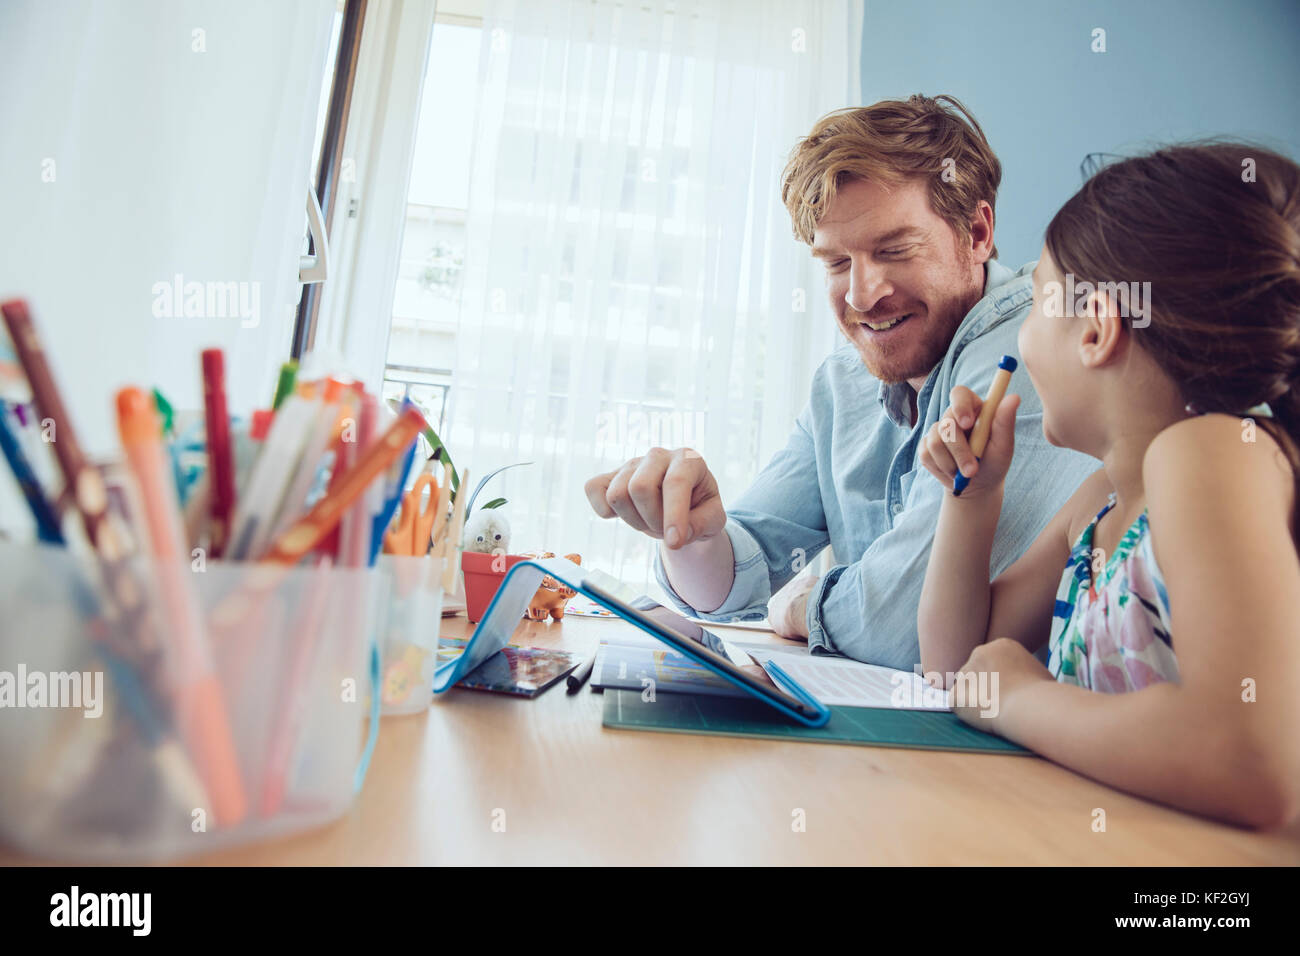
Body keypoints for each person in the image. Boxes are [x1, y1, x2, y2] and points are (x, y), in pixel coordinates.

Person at [584, 94, 1092, 668]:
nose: (860, 295)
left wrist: (803, 609)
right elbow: (739, 578)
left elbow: (901, 630)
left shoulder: (1028, 345)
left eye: (894, 250)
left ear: (976, 233)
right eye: (836, 263)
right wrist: (694, 533)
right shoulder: (846, 381)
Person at [916, 142, 1300, 827]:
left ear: (1097, 328)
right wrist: (974, 500)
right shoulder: (1103, 502)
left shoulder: (1212, 454)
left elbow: (1252, 760)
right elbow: (956, 668)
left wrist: (1020, 702)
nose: (1026, 338)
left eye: (1036, 304)